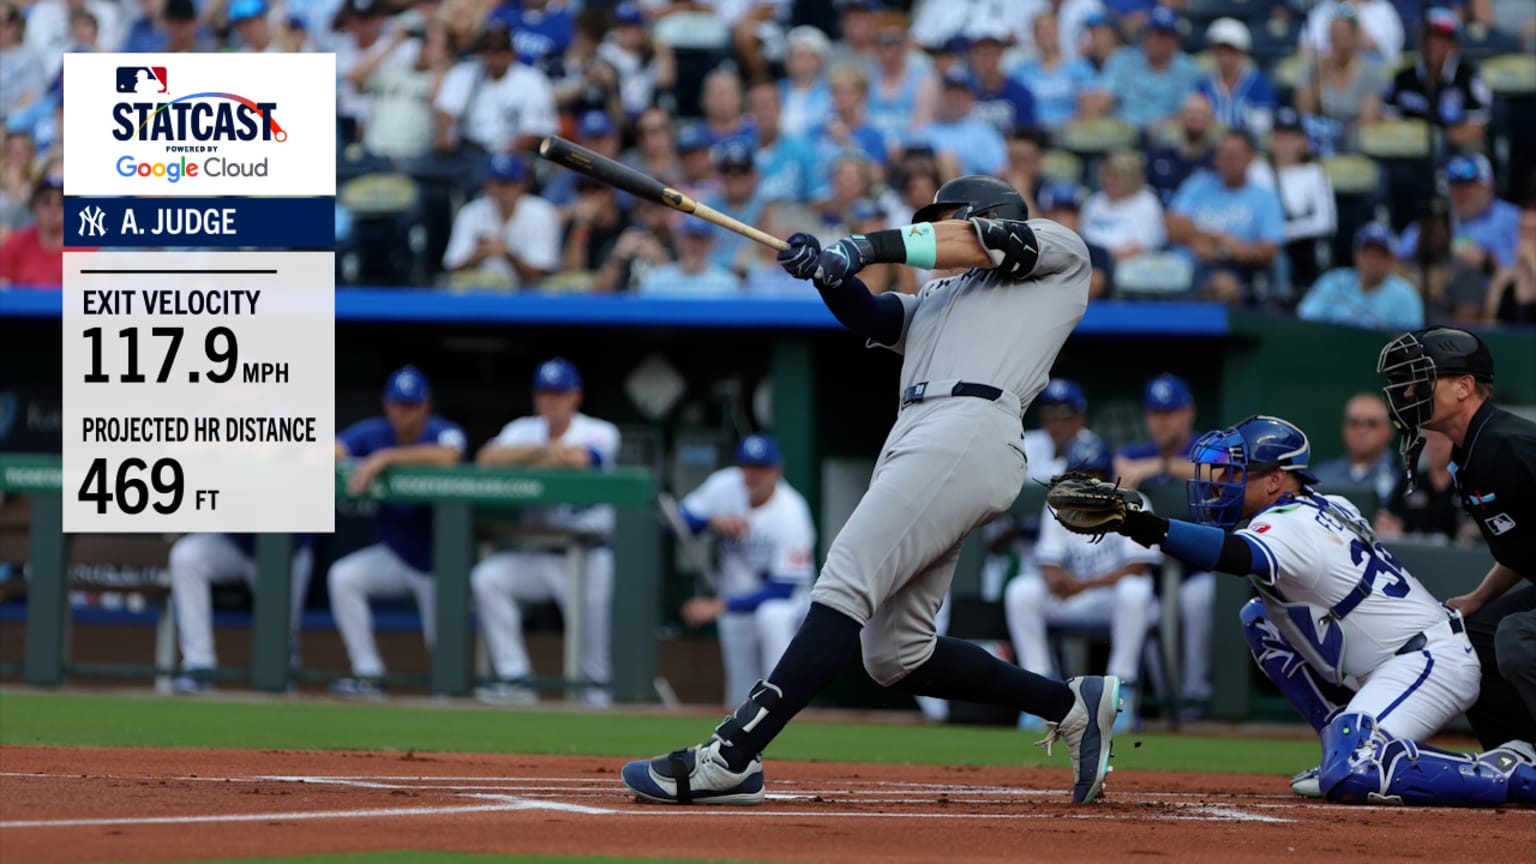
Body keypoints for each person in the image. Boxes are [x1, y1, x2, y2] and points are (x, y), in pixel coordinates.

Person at [621, 174, 1121, 806]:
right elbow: (873, 314)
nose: (933, 228)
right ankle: (1070, 705)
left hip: (970, 425)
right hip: (922, 432)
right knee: (896, 654)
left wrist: (860, 246)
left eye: (944, 217)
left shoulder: (1057, 250)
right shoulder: (939, 295)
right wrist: (827, 273)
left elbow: (976, 240)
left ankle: (733, 755)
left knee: (844, 583)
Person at [1047, 414, 1536, 805]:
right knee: (1259, 619)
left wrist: (1145, 525)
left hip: (1426, 662)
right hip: (1395, 660)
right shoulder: (1325, 505)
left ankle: (1509, 770)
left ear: (1277, 479)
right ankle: (1341, 741)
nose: (1221, 483)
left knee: (1355, 771)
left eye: (1237, 472)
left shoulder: (1291, 522)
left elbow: (1234, 556)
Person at [1377, 328, 1536, 752]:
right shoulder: (1469, 455)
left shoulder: (1513, 444)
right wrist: (1478, 598)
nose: (1408, 392)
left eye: (1422, 379)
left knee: (1518, 638)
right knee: (1468, 642)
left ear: (1464, 386)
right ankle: (1519, 759)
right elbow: (1521, 549)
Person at [470, 358, 620, 707]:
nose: (551, 401)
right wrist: (542, 450)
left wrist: (522, 459)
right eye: (544, 393)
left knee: (594, 667)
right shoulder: (523, 429)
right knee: (488, 578)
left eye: (559, 393)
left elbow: (583, 460)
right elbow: (486, 458)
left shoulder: (600, 430)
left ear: (575, 396)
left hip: (589, 557)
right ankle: (516, 678)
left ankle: (597, 716)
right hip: (539, 554)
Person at [328, 366, 467, 697]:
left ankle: (449, 700)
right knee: (344, 577)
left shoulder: (442, 431)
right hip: (397, 555)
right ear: (386, 404)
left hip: (440, 566)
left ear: (425, 406)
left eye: (410, 405)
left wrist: (386, 458)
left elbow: (450, 456)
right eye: (397, 404)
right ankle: (368, 674)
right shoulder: (373, 432)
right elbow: (332, 448)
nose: (402, 412)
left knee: (446, 658)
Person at [1006, 436, 1161, 731]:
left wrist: (1083, 585)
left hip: (1114, 601)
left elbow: (1137, 566)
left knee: (1135, 591)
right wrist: (1057, 580)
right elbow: (1048, 564)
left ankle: (1121, 689)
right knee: (1022, 591)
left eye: (1095, 474)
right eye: (1081, 475)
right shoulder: (1058, 505)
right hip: (1072, 598)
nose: (1089, 482)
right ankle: (1039, 688)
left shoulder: (1132, 502)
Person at [674, 434, 817, 705]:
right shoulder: (724, 485)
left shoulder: (791, 511)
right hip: (735, 599)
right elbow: (675, 521)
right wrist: (710, 521)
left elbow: (783, 589)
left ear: (776, 470)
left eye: (761, 468)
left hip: (789, 604)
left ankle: (782, 704)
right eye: (747, 466)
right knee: (740, 695)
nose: (752, 475)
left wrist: (718, 606)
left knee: (771, 616)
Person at [168, 533, 313, 694]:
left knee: (283, 639)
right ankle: (198, 666)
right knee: (187, 557)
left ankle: (283, 679)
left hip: (287, 551)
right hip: (236, 544)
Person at [1165, 130, 1286, 304]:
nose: (1227, 161)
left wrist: (1225, 253)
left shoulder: (1265, 198)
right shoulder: (1198, 184)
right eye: (1222, 154)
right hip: (1186, 261)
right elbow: (1174, 226)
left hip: (1236, 268)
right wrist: (1217, 239)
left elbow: (1270, 249)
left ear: (1250, 158)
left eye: (1234, 156)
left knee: (1223, 285)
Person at [440, 153, 560, 289]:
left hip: (527, 296)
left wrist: (508, 254)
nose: (498, 190)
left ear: (522, 184)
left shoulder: (541, 212)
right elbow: (451, 268)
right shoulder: (471, 212)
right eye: (493, 183)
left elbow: (541, 273)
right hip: (477, 293)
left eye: (506, 184)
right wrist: (477, 255)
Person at [1297, 223, 1424, 330]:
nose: (1372, 260)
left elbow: (1409, 343)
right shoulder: (1333, 281)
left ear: (1392, 260)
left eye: (1380, 255)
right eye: (1367, 253)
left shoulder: (1406, 296)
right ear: (1356, 255)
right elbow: (1305, 320)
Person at [1310, 392, 1402, 506]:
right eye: (1354, 423)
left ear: (1388, 431)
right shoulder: (1322, 476)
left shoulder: (1402, 476)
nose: (1361, 430)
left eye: (1372, 423)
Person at [1374, 430, 1464, 545]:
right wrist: (1388, 527)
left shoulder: (1467, 484)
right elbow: (1388, 517)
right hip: (1414, 551)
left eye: (1443, 439)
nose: (1437, 446)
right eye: (1432, 439)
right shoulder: (1410, 481)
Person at [1195, 18, 1275, 138]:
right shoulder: (1204, 83)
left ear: (1243, 53)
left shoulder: (1258, 82)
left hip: (1248, 144)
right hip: (1210, 144)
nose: (1225, 58)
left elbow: (1262, 126)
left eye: (1231, 52)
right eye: (1220, 52)